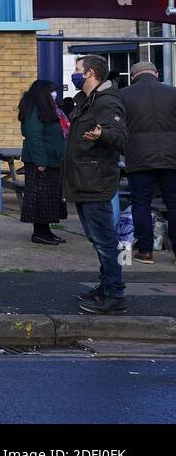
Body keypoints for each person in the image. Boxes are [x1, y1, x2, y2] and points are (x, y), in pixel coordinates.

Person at [63, 54, 129, 314]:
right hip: (83, 180)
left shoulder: (107, 101)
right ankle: (105, 287)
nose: (75, 74)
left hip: (95, 181)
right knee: (97, 239)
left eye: (78, 70)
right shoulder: (86, 101)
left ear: (89, 73)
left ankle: (115, 295)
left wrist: (103, 134)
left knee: (105, 241)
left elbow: (121, 136)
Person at [119, 61, 176, 265]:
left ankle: (145, 251)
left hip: (139, 157)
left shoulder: (124, 95)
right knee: (174, 203)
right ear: (156, 73)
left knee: (140, 203)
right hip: (172, 158)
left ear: (133, 76)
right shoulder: (172, 92)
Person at [18, 79, 67, 246]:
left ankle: (46, 231)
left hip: (53, 161)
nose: (55, 95)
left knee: (50, 199)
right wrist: (40, 161)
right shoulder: (35, 110)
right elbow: (34, 137)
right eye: (52, 91)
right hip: (42, 162)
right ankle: (39, 233)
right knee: (40, 198)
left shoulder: (50, 109)